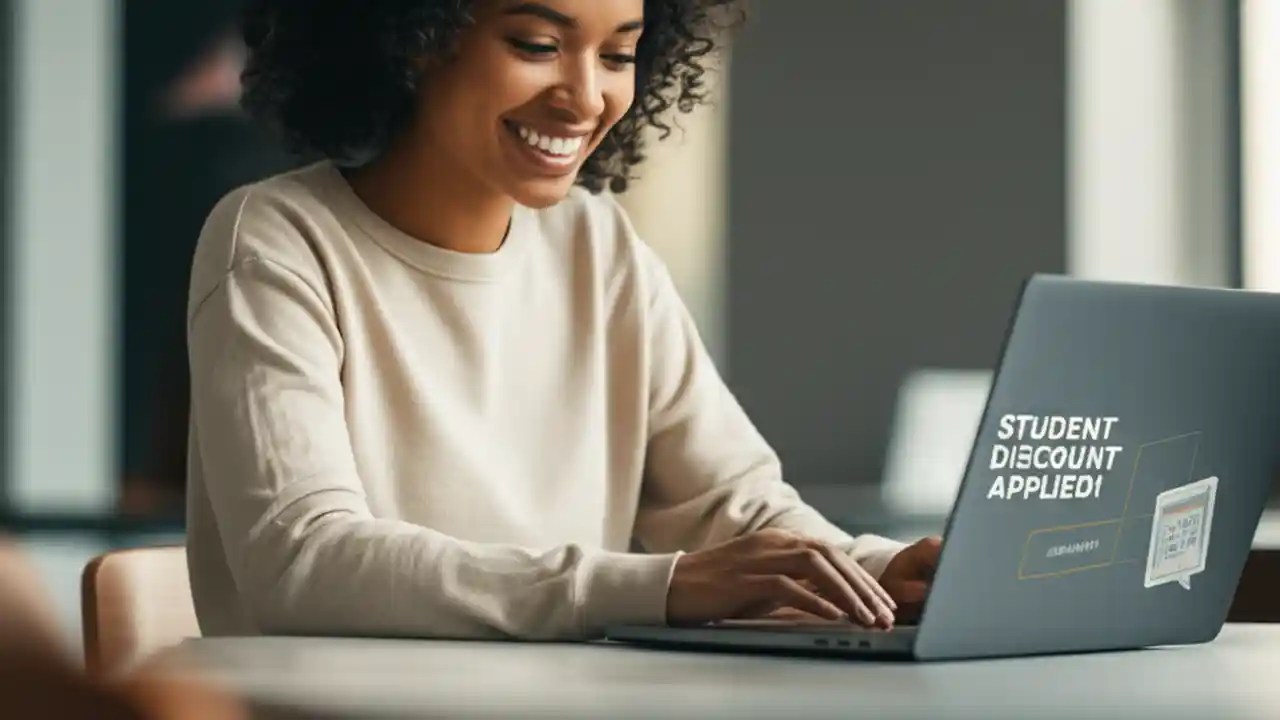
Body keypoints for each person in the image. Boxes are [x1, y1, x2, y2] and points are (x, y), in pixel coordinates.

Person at [186, 0, 942, 640]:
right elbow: (304, 561)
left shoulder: (597, 244)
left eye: (619, 55)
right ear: (414, 39)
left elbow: (728, 506)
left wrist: (877, 574)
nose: (585, 98)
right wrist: (660, 588)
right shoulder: (276, 237)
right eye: (538, 46)